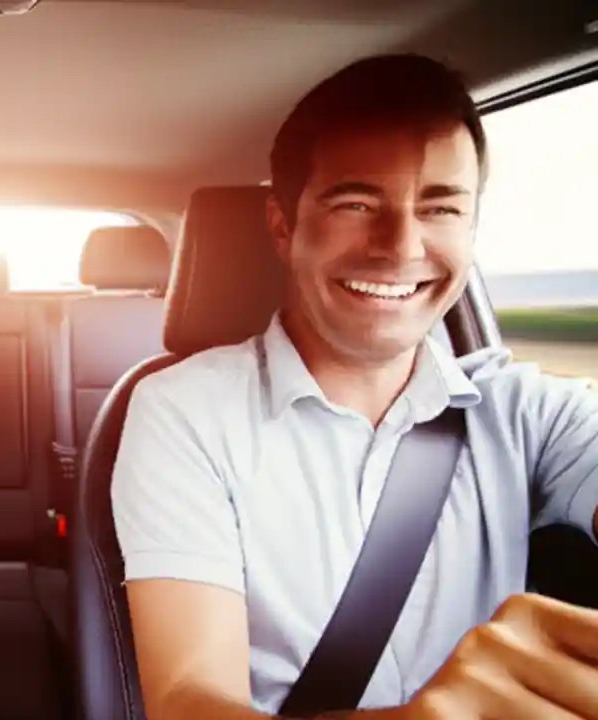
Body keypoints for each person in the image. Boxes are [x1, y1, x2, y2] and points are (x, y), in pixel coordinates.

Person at [113, 55, 598, 719]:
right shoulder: (184, 410)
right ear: (284, 229)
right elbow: (188, 702)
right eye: (357, 203)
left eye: (441, 208)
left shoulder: (529, 413)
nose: (400, 246)